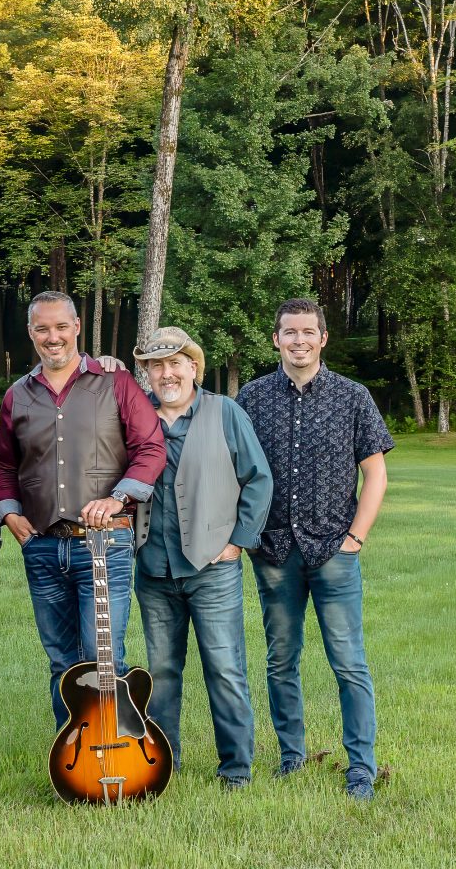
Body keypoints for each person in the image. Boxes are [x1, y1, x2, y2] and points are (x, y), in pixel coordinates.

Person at [235, 297, 394, 801]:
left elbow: (375, 474)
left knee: (348, 662)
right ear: (276, 339)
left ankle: (361, 768)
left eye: (308, 332)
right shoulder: (252, 398)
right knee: (281, 659)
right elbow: (233, 471)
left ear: (323, 338)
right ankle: (291, 757)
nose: (299, 340)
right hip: (274, 551)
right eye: (290, 332)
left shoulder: (352, 397)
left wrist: (355, 539)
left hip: (334, 550)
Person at [0, 291, 167, 728]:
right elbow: (5, 465)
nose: (53, 337)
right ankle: (72, 753)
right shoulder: (17, 395)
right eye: (43, 329)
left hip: (106, 545)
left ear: (77, 328)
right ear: (31, 333)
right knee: (62, 661)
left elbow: (150, 447)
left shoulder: (115, 383)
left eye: (61, 327)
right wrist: (10, 514)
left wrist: (117, 497)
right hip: (43, 547)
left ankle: (115, 751)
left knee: (104, 659)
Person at [132, 327, 272, 790]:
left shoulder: (225, 412)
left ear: (194, 366)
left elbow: (258, 479)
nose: (167, 374)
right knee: (161, 672)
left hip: (213, 570)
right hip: (153, 569)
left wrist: (238, 542)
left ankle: (236, 769)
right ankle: (162, 764)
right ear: (147, 373)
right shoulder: (136, 416)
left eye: (175, 363)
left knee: (225, 669)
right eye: (156, 366)